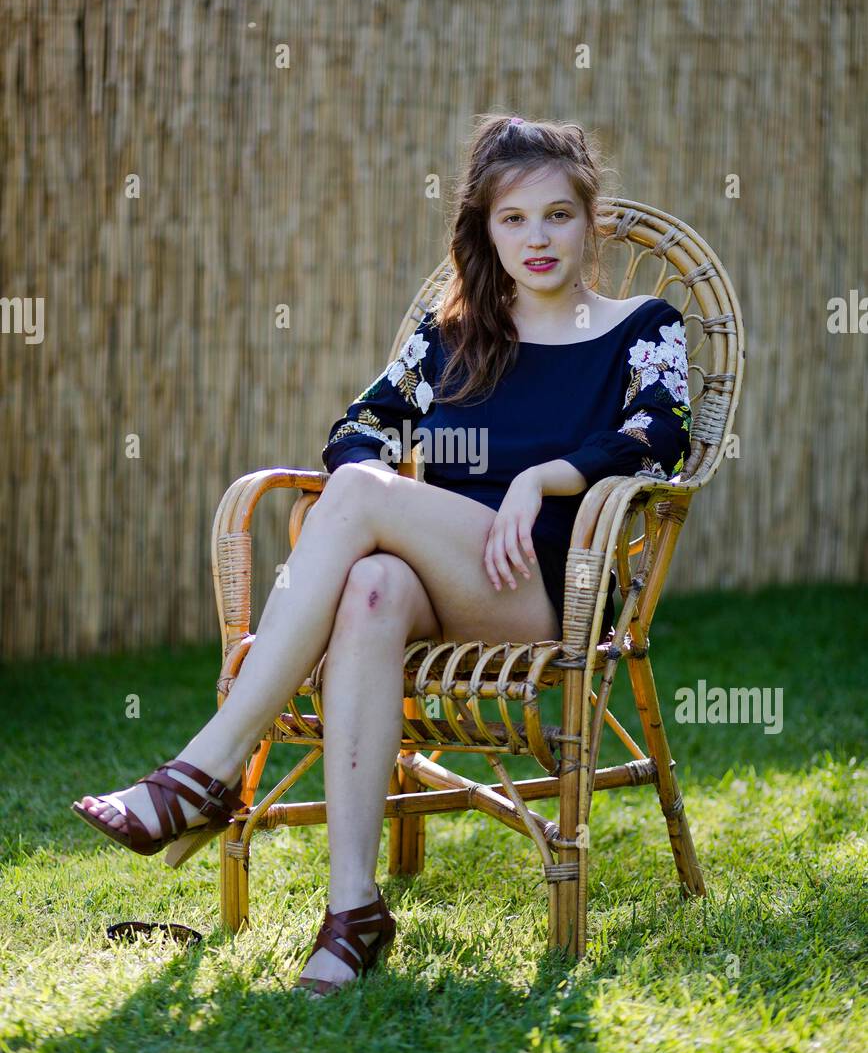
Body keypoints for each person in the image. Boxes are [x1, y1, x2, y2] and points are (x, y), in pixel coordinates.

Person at [71, 113, 691, 997]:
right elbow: (361, 427)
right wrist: (358, 510)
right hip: (436, 582)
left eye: (557, 215)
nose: (538, 239)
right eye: (512, 220)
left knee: (359, 500)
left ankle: (204, 773)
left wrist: (542, 479)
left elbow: (662, 434)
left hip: (542, 592)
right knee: (366, 585)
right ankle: (354, 910)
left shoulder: (640, 325)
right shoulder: (457, 334)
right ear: (484, 229)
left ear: (592, 219)